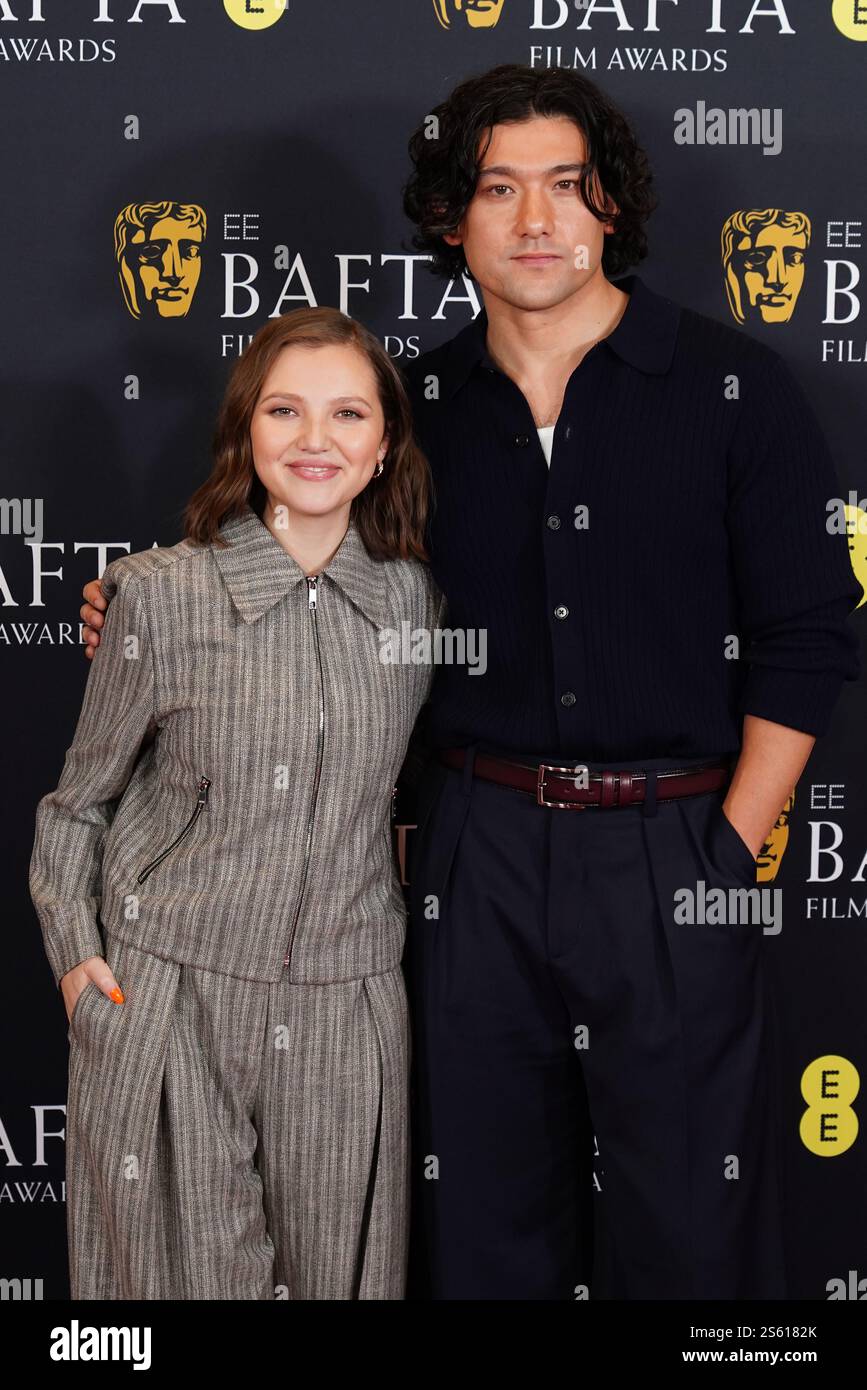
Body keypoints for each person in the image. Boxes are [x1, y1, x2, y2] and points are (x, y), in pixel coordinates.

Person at [80, 64, 863, 1301]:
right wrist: (144, 607)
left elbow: (811, 633)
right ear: (454, 215)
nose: (537, 220)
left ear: (612, 209)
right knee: (483, 1234)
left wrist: (726, 849)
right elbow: (300, 564)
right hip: (471, 854)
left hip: (676, 847)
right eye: (500, 188)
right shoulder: (414, 409)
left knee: (697, 1239)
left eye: (567, 186)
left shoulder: (733, 389)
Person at [31, 305, 444, 1300]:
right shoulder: (157, 597)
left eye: (348, 415)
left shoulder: (417, 608)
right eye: (285, 411)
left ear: (384, 445)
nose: (315, 440)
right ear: (244, 432)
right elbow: (76, 804)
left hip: (349, 1008)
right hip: (170, 998)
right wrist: (78, 966)